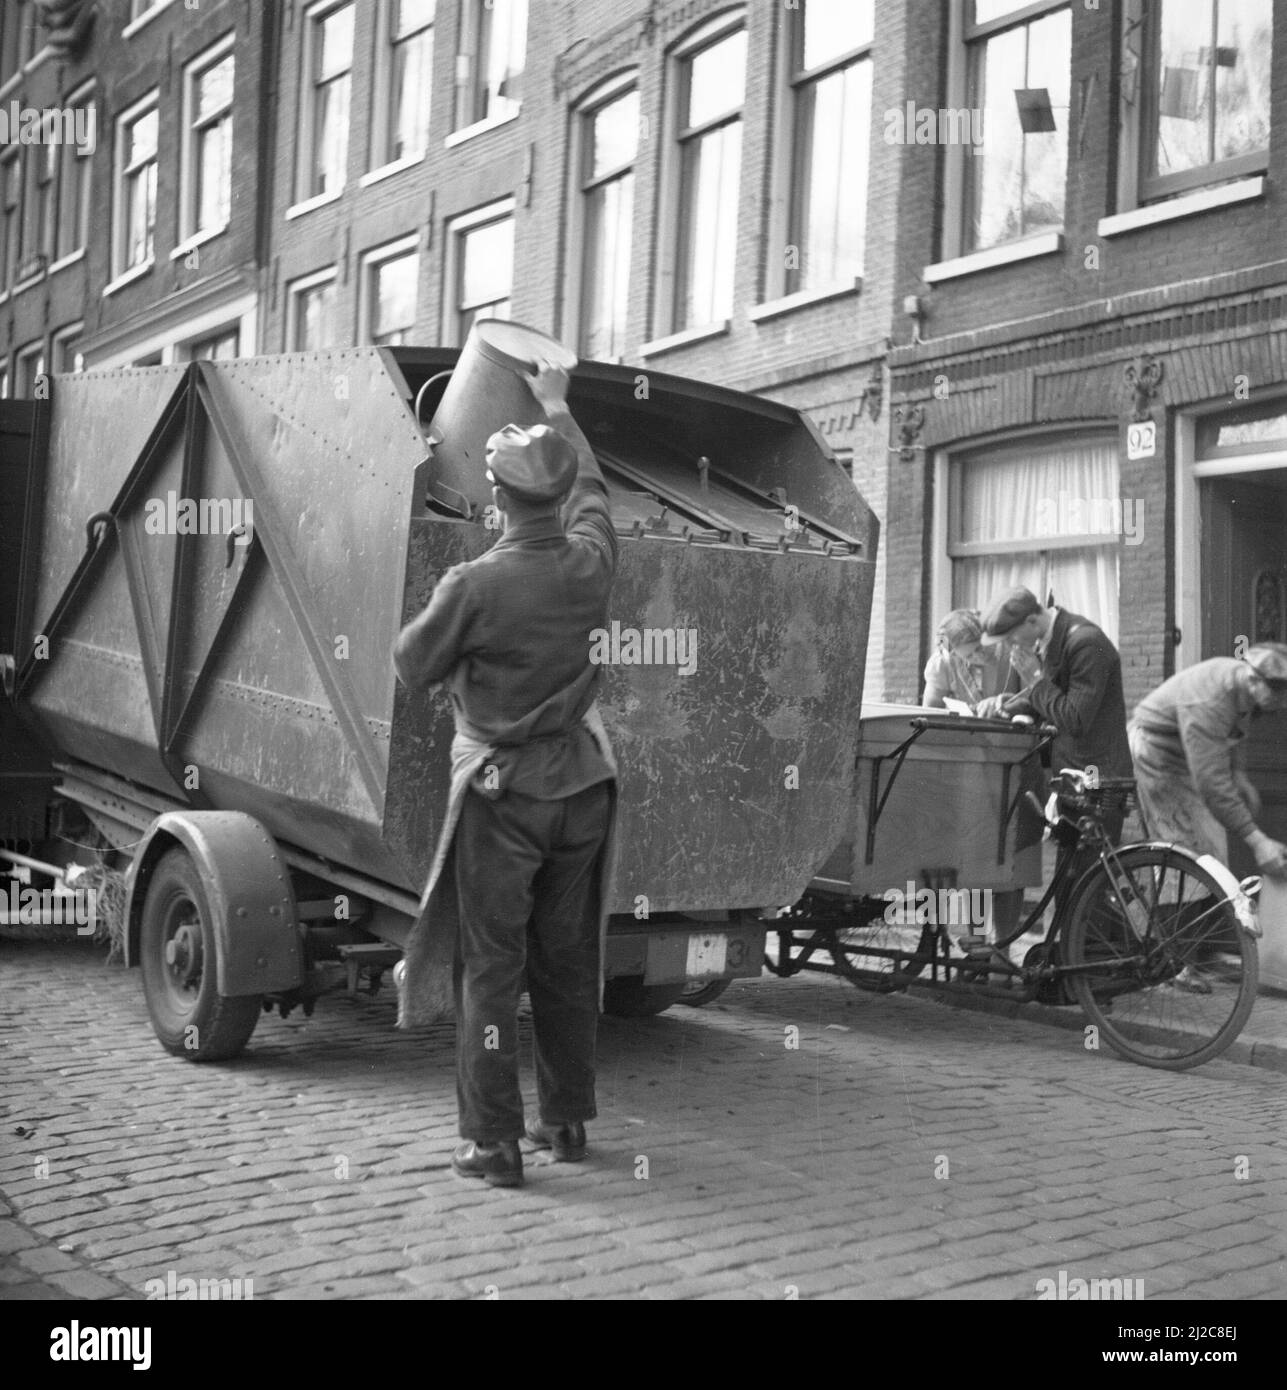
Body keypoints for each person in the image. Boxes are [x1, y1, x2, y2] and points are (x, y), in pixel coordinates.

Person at [393, 360, 618, 1189]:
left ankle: (492, 1145)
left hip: (505, 797)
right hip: (583, 793)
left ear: (495, 501)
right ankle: (566, 1122)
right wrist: (558, 408)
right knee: (563, 959)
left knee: (491, 968)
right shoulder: (592, 561)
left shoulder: (474, 583)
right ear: (556, 499)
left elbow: (411, 663)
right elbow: (594, 488)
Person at [977, 587, 1132, 916]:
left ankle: (1097, 965)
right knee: (1071, 893)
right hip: (1074, 782)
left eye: (1010, 636)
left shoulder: (1086, 642)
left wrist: (1033, 677)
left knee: (1085, 897)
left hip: (1097, 781)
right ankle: (1077, 961)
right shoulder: (1051, 640)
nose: (1009, 646)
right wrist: (1004, 706)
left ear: (1032, 621)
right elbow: (1051, 695)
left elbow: (1074, 718)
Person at [1128, 644, 1287, 877]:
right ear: (1254, 680)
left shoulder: (1242, 685)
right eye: (1279, 695)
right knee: (1182, 853)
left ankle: (1207, 908)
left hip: (1184, 753)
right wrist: (1258, 842)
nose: (1284, 704)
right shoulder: (1210, 702)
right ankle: (1176, 913)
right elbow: (1211, 783)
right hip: (1156, 755)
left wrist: (1238, 773)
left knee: (1211, 853)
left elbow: (1235, 729)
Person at [922, 608, 1019, 711]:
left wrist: (1003, 702)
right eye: (969, 656)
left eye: (980, 648)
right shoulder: (943, 663)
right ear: (954, 655)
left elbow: (1032, 703)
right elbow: (930, 713)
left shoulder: (1013, 648)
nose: (979, 656)